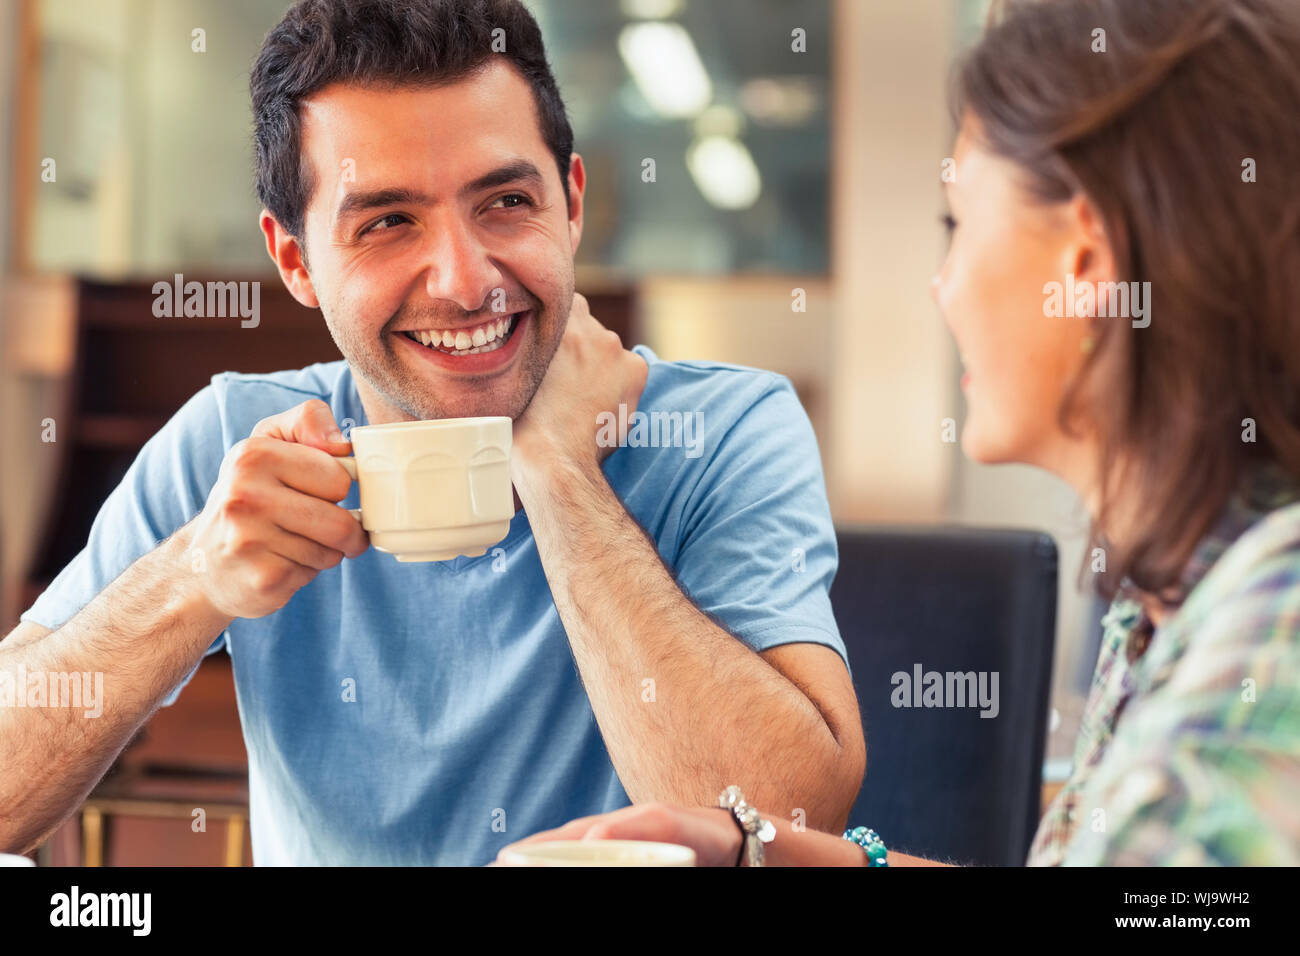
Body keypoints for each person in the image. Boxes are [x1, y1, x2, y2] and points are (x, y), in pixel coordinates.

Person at [0, 0, 866, 865]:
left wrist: (561, 473)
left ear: (570, 205)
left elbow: (795, 822)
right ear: (296, 261)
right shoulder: (232, 441)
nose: (464, 281)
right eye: (386, 222)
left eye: (506, 202)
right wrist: (190, 578)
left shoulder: (721, 432)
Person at [499, 0, 1300, 866]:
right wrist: (766, 854)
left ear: (1083, 262)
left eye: (958, 226)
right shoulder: (1167, 604)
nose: (942, 286)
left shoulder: (1272, 635)